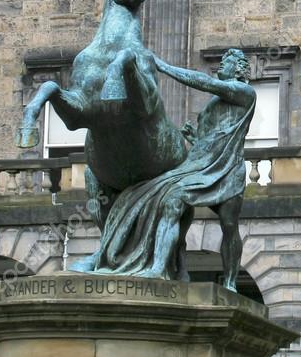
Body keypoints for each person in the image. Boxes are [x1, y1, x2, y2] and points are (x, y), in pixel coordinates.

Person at [89, 49, 255, 290]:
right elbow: (216, 137)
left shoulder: (244, 92)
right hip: (199, 166)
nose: (221, 64)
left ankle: (230, 283)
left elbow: (205, 82)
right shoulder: (216, 103)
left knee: (229, 225)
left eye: (227, 61)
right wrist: (195, 137)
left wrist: (163, 67)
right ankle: (158, 267)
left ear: (238, 69)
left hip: (227, 169)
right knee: (169, 199)